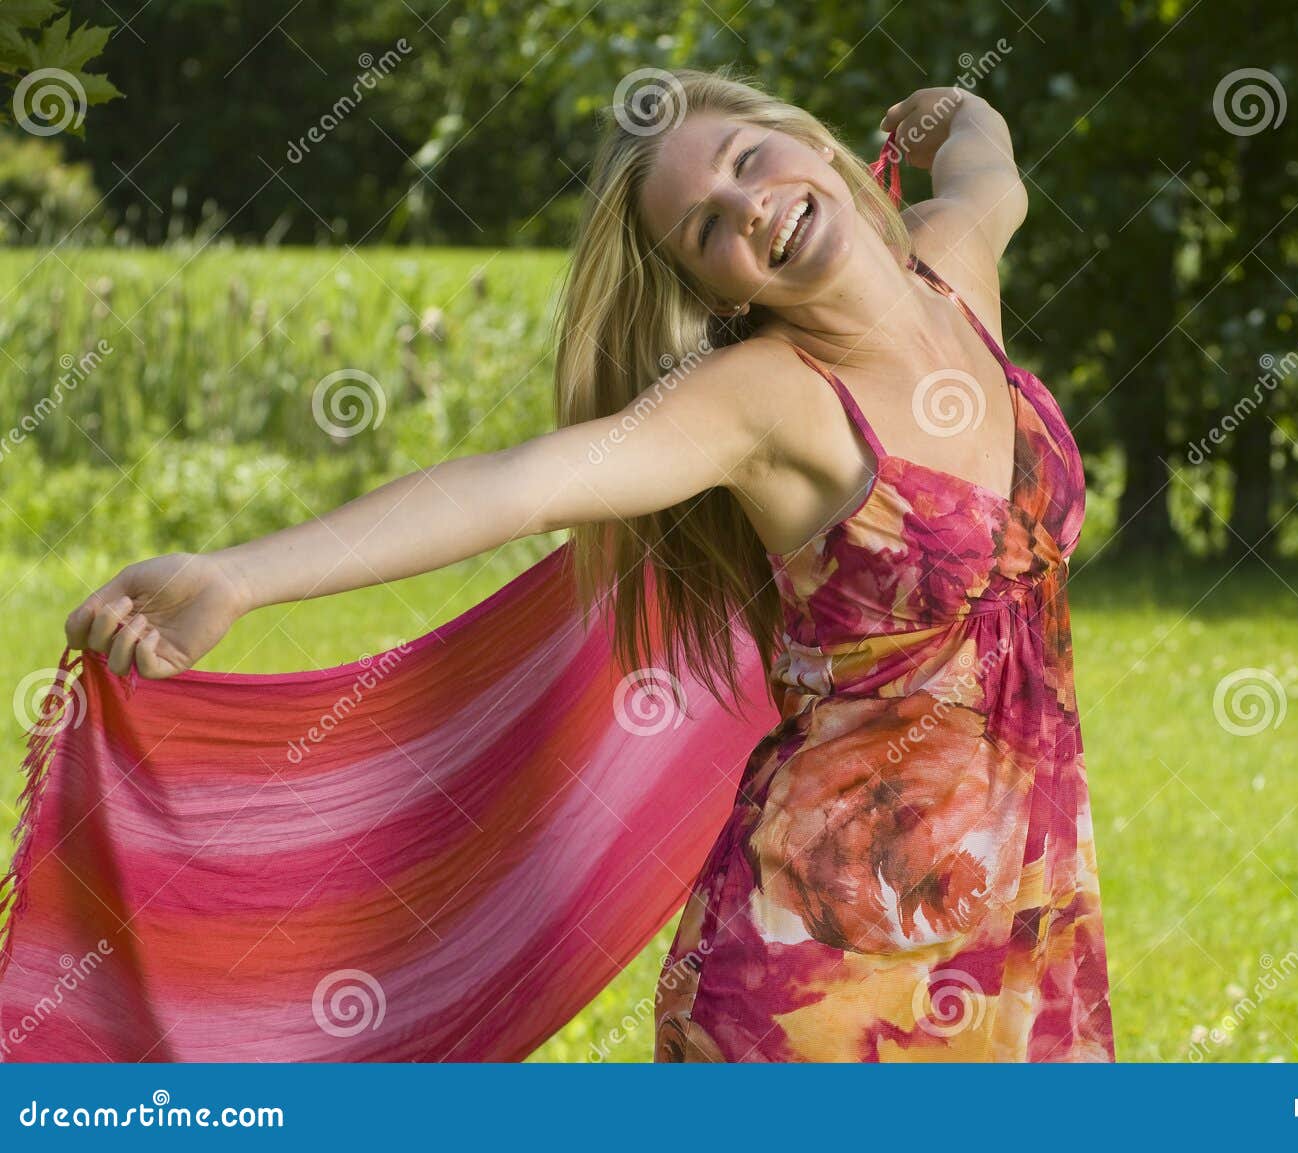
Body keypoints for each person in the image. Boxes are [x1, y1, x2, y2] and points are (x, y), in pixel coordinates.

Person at [57, 67, 1113, 1062]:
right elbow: (514, 484)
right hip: (814, 968)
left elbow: (987, 156)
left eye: (749, 158)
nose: (749, 206)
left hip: (1016, 914)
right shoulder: (761, 397)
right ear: (714, 291)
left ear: (808, 142)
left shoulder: (956, 267)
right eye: (707, 227)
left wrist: (935, 112)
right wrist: (241, 574)